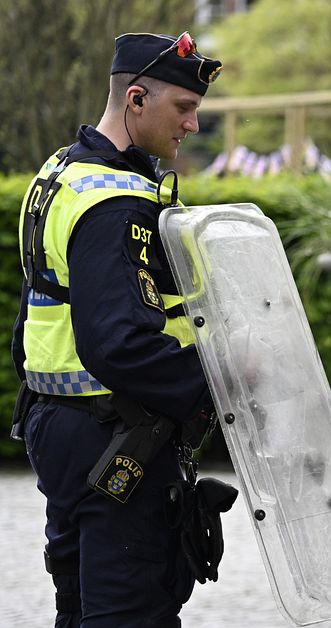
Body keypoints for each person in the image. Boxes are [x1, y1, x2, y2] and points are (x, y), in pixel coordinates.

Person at [11, 32, 225, 625]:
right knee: (131, 609)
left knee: (80, 602)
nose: (192, 125)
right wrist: (214, 389)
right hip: (118, 432)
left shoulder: (62, 171)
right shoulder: (115, 202)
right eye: (183, 108)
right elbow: (119, 343)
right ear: (136, 99)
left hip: (62, 424)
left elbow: (38, 304)